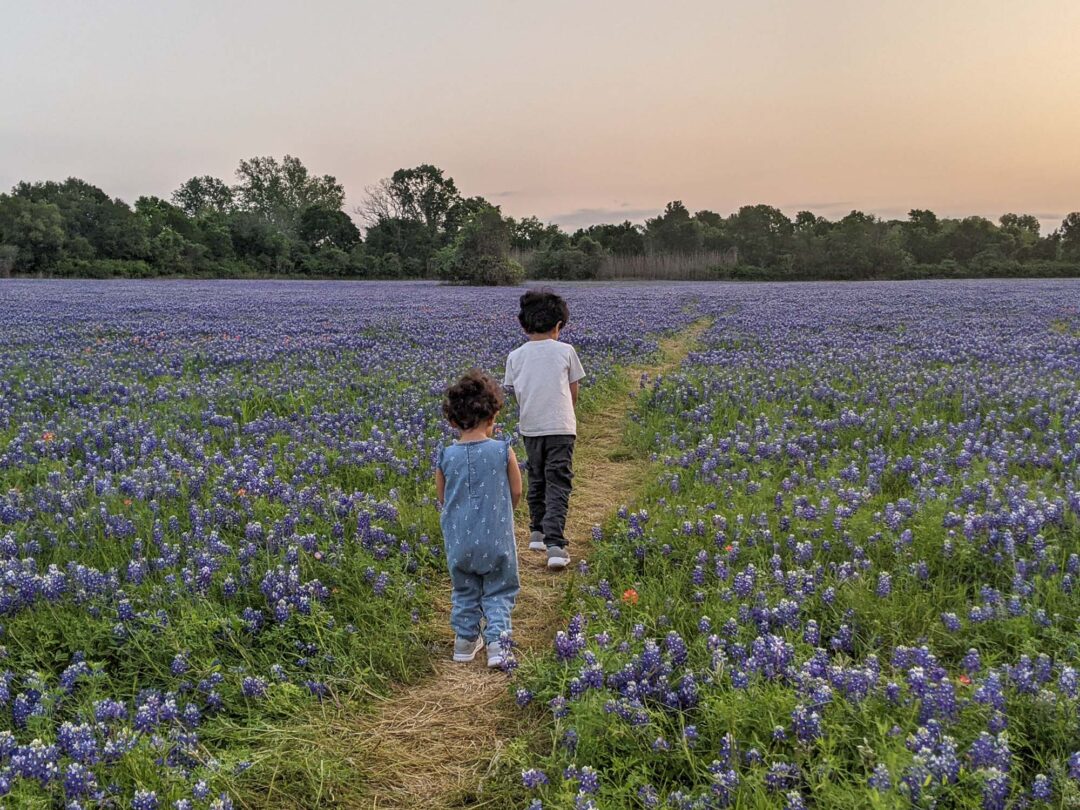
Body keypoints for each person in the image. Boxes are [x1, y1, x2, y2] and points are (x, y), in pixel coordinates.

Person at [435, 369, 522, 667]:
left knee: (465, 589)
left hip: (459, 540)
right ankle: (498, 643)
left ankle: (464, 641)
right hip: (496, 538)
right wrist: (503, 511)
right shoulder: (502, 450)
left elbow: (443, 498)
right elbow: (517, 490)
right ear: (492, 418)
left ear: (452, 421)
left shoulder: (445, 455)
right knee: (498, 588)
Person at [503, 290, 585, 571]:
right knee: (558, 482)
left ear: (523, 324)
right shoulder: (566, 351)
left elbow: (516, 392)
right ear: (559, 325)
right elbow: (573, 391)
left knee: (536, 476)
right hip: (561, 427)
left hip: (531, 427)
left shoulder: (514, 356)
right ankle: (556, 545)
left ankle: (536, 532)